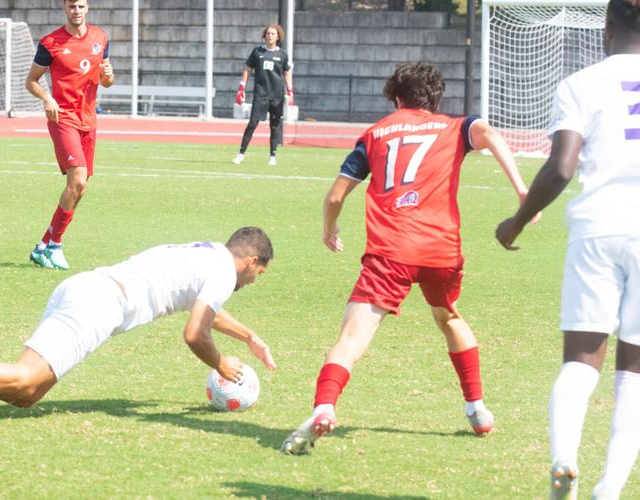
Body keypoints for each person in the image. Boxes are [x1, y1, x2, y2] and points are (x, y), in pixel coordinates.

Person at [280, 62, 536, 455]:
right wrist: (521, 191)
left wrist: (329, 229)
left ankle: (325, 406)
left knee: (351, 338)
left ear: (396, 97)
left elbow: (335, 196)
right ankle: (477, 409)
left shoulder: (375, 134)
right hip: (440, 250)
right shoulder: (453, 127)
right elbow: (487, 131)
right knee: (448, 315)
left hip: (390, 251)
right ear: (434, 100)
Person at [0, 227, 277, 417]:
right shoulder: (226, 272)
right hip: (100, 304)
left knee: (27, 393)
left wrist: (249, 336)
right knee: (24, 377)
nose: (252, 281)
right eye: (258, 274)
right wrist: (223, 365)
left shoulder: (207, 253)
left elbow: (202, 309)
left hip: (86, 288)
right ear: (251, 261)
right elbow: (195, 333)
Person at [496, 0, 640, 497]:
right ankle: (609, 490)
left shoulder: (581, 83)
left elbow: (561, 167)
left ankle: (563, 461)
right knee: (636, 372)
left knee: (580, 361)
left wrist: (515, 223)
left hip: (598, 229)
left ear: (607, 25)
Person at [24, 0, 114, 271]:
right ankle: (56, 245)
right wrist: (47, 98)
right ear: (65, 8)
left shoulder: (100, 37)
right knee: (76, 180)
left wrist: (109, 76)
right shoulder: (50, 42)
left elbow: (106, 79)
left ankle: (42, 246)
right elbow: (31, 81)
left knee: (80, 187)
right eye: (72, 6)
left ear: (88, 8)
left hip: (89, 120)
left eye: (81, 6)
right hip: (62, 117)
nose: (77, 11)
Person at [232, 24, 294, 167]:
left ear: (278, 37)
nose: (270, 36)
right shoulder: (257, 52)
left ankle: (272, 155)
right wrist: (242, 87)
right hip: (261, 94)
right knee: (253, 123)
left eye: (273, 34)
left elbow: (287, 72)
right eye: (268, 33)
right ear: (264, 35)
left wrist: (290, 90)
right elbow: (248, 69)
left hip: (276, 96)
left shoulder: (282, 55)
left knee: (275, 126)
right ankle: (241, 154)